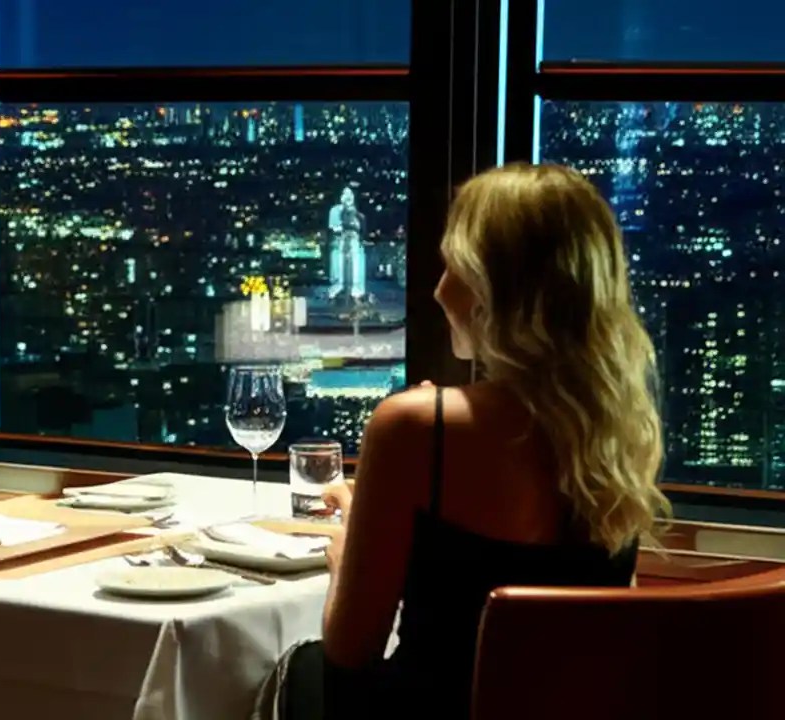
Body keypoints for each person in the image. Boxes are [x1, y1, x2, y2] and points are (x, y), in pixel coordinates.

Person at [275, 163, 668, 718]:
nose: (438, 289)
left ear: (495, 289)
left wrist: (346, 554)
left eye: (454, 265)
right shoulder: (623, 428)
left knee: (297, 671)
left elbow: (350, 652)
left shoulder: (416, 427)